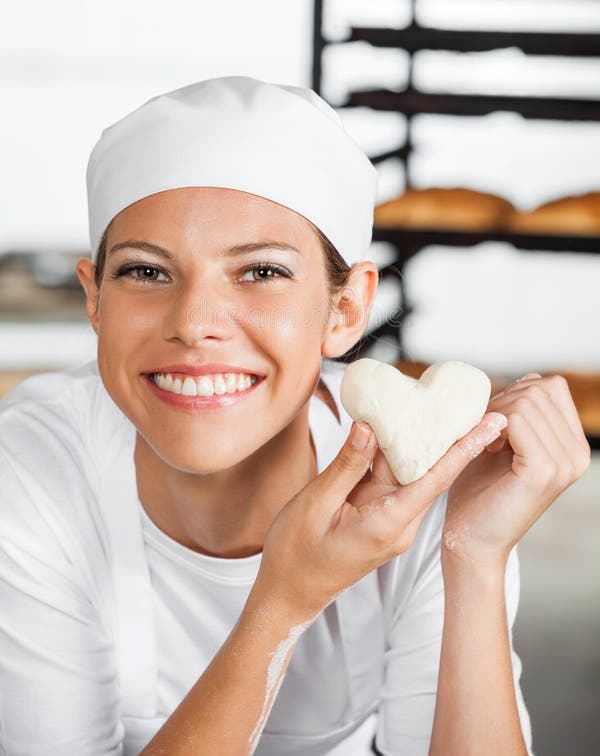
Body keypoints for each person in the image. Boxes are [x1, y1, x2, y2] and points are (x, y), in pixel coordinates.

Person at [0, 76, 590, 756]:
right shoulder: (30, 471)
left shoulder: (421, 470)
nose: (194, 325)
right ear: (95, 300)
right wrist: (282, 602)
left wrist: (475, 555)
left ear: (345, 311)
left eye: (261, 273)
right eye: (147, 272)